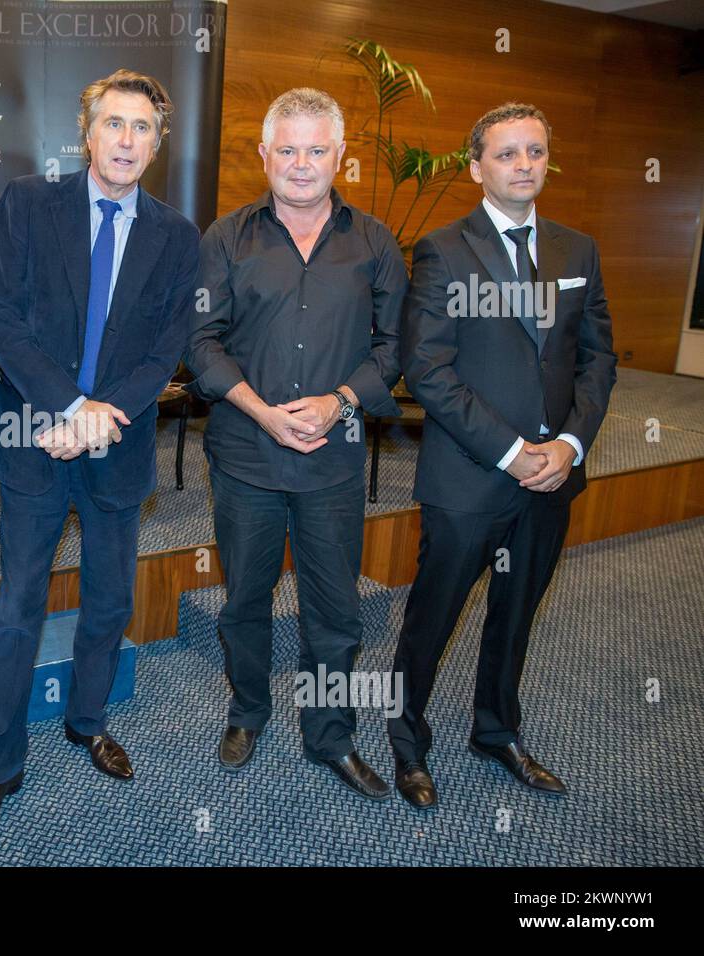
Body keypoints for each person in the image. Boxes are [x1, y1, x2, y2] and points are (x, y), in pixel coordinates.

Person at [0, 69, 200, 840]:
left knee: (108, 601)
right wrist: (67, 407)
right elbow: (4, 317)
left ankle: (87, 720)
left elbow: (166, 348)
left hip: (116, 446)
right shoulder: (31, 203)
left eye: (142, 129)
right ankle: (0, 765)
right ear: (87, 131)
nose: (126, 140)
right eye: (114, 124)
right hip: (34, 437)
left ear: (157, 144)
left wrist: (102, 417)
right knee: (20, 605)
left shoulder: (177, 234)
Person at [388, 102, 616, 808]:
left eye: (536, 152)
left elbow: (597, 358)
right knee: (434, 618)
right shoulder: (442, 249)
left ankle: (497, 730)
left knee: (517, 614)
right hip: (469, 479)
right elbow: (427, 369)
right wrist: (515, 451)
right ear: (476, 165)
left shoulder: (579, 250)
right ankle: (407, 741)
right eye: (508, 153)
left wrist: (569, 445)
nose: (524, 165)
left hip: (553, 481)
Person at [186, 88, 405, 800]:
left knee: (335, 610)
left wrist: (339, 400)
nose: (302, 163)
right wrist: (261, 410)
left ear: (341, 156)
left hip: (335, 459)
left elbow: (392, 348)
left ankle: (330, 734)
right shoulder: (225, 238)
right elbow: (200, 340)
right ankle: (247, 711)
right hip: (247, 456)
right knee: (245, 599)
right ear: (264, 154)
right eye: (288, 149)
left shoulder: (374, 243)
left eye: (317, 149)